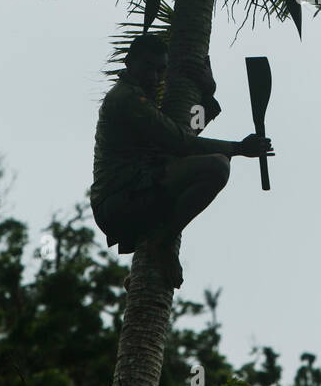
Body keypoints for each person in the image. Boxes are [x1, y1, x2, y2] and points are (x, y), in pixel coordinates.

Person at [90, 34, 272, 287]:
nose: (154, 77)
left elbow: (187, 132)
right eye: (148, 68)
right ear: (129, 62)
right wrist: (239, 148)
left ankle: (153, 250)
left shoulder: (146, 98)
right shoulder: (128, 99)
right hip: (121, 201)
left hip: (140, 191)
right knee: (217, 166)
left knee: (213, 164)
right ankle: (162, 242)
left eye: (160, 70)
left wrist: (207, 96)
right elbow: (181, 143)